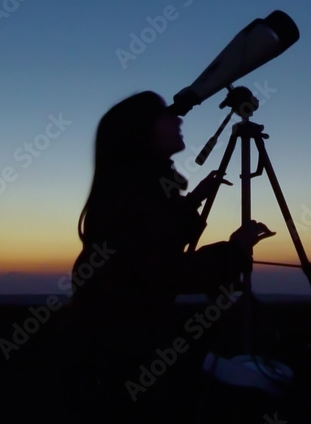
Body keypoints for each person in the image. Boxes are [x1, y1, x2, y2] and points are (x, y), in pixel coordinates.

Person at [62, 90, 274, 417]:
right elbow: (165, 272)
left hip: (118, 343)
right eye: (164, 115)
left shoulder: (136, 189)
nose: (177, 119)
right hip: (125, 354)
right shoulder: (135, 196)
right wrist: (235, 251)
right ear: (139, 133)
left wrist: (194, 201)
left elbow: (158, 237)